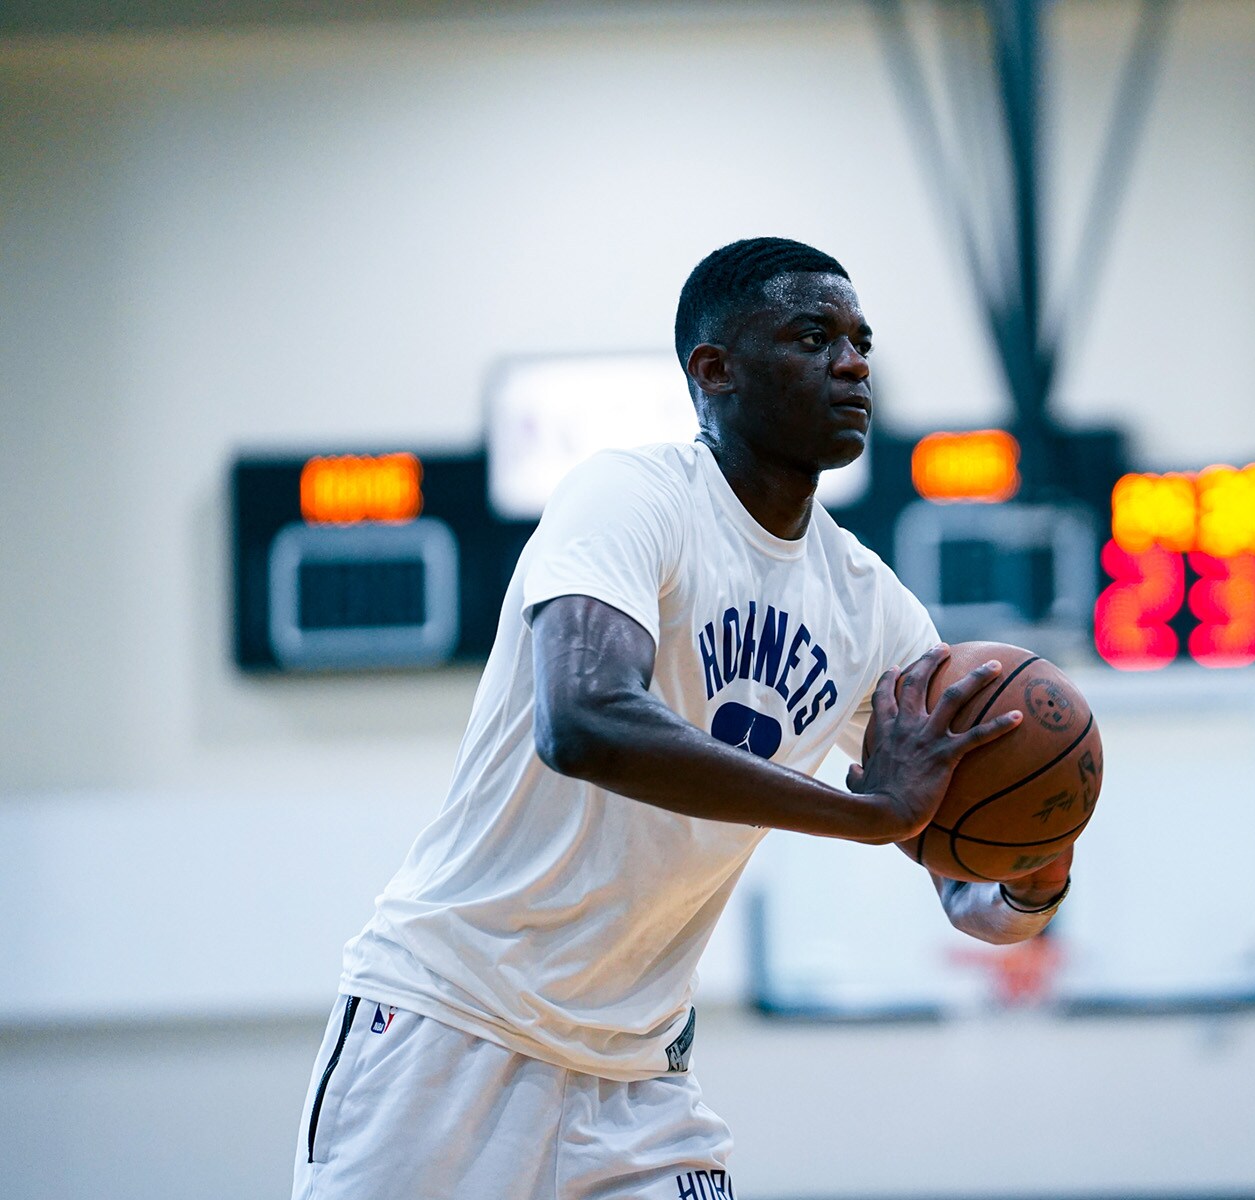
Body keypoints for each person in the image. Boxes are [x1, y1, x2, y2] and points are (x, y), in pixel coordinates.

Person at [291, 237, 1074, 1200]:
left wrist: (1032, 874)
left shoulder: (873, 607)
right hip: (452, 1020)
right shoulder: (630, 497)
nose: (855, 361)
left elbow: (963, 889)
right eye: (814, 335)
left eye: (863, 340)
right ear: (716, 371)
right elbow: (582, 721)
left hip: (637, 1081)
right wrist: (871, 817)